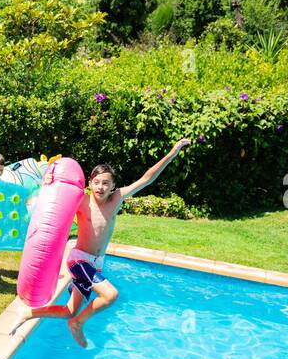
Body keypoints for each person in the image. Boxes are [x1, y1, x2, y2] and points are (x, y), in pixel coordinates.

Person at [15, 140, 191, 347]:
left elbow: (147, 179)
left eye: (106, 183)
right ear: (90, 183)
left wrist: (172, 152)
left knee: (69, 310)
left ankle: (29, 313)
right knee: (111, 295)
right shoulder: (81, 200)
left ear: (113, 186)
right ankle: (78, 324)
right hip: (79, 260)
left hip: (96, 263)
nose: (101, 187)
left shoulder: (117, 199)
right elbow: (54, 206)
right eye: (97, 182)